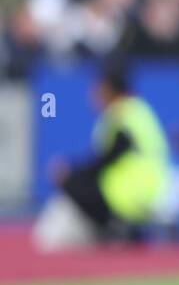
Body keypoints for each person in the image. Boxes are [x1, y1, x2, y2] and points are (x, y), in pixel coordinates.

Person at [34, 63, 170, 251]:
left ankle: (113, 228)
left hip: (126, 195)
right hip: (154, 193)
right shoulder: (140, 111)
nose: (94, 94)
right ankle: (120, 228)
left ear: (109, 89)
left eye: (98, 88)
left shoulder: (121, 115)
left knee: (72, 183)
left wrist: (69, 173)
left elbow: (106, 159)